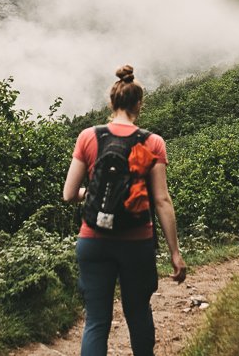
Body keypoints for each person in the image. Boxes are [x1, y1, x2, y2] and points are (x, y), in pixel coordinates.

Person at [63, 65, 186, 356]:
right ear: (138, 104)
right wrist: (175, 252)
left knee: (96, 321)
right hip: (137, 243)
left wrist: (95, 193)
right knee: (138, 314)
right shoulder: (153, 142)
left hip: (93, 239)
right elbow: (161, 201)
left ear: (111, 102)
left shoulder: (88, 137)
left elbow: (69, 194)